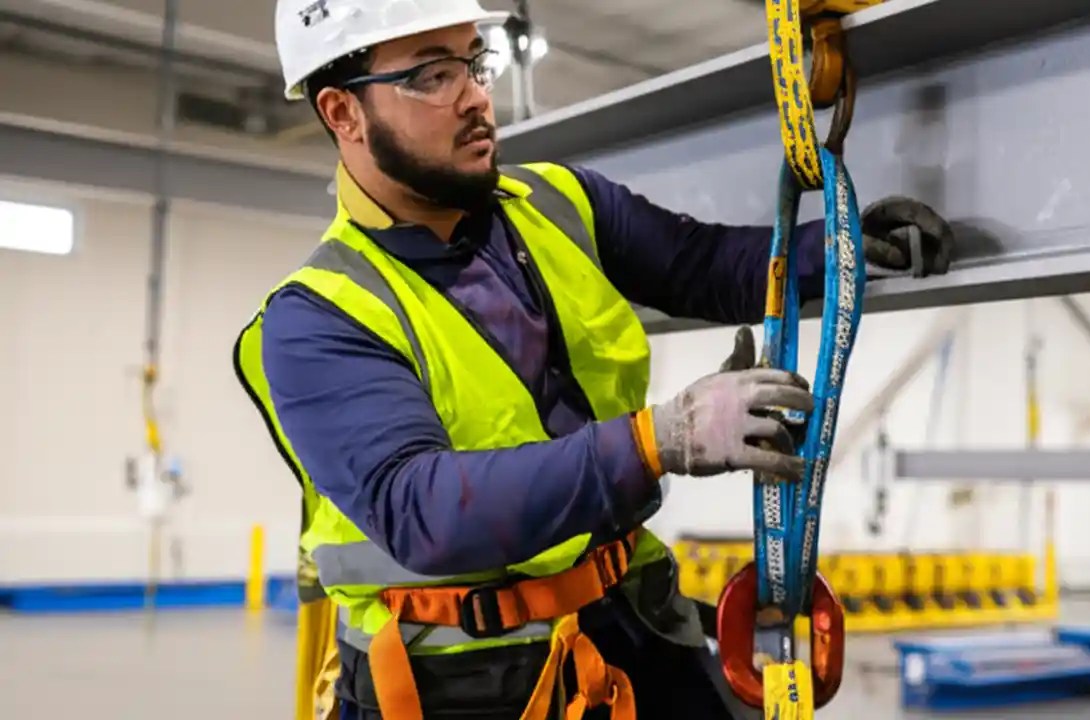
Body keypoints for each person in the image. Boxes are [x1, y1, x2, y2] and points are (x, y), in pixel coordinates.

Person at [234, 1, 954, 718]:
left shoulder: (557, 203)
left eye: (474, 64)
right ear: (342, 112)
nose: (477, 97)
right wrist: (659, 440)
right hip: (459, 676)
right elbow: (422, 510)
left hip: (625, 618)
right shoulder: (317, 318)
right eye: (433, 75)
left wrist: (836, 249)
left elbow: (701, 264)